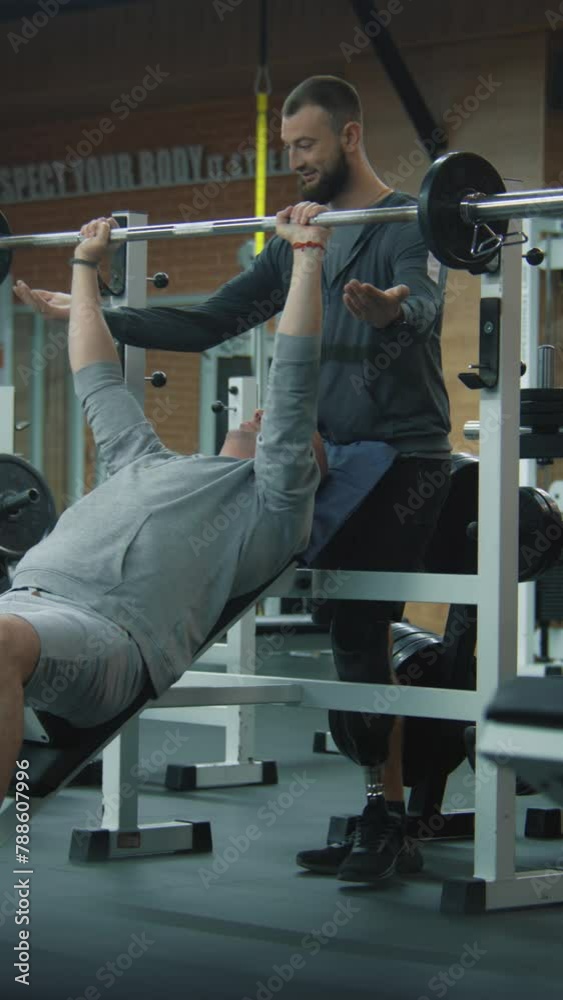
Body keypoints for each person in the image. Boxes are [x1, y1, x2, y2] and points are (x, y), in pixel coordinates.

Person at [15, 75, 452, 883]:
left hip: (399, 455)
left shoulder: (398, 220)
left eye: (305, 145)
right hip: (309, 448)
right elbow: (213, 319)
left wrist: (389, 310)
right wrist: (94, 309)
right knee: (343, 629)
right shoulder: (292, 240)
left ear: (349, 138)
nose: (293, 161)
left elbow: (420, 303)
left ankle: (385, 810)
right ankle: (389, 795)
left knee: (358, 631)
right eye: (286, 147)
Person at [0, 202, 330, 809]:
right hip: (23, 598)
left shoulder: (270, 508)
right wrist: (83, 262)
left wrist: (307, 258)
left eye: (293, 436)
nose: (264, 416)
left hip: (106, 638)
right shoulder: (143, 460)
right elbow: (96, 376)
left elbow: (293, 382)